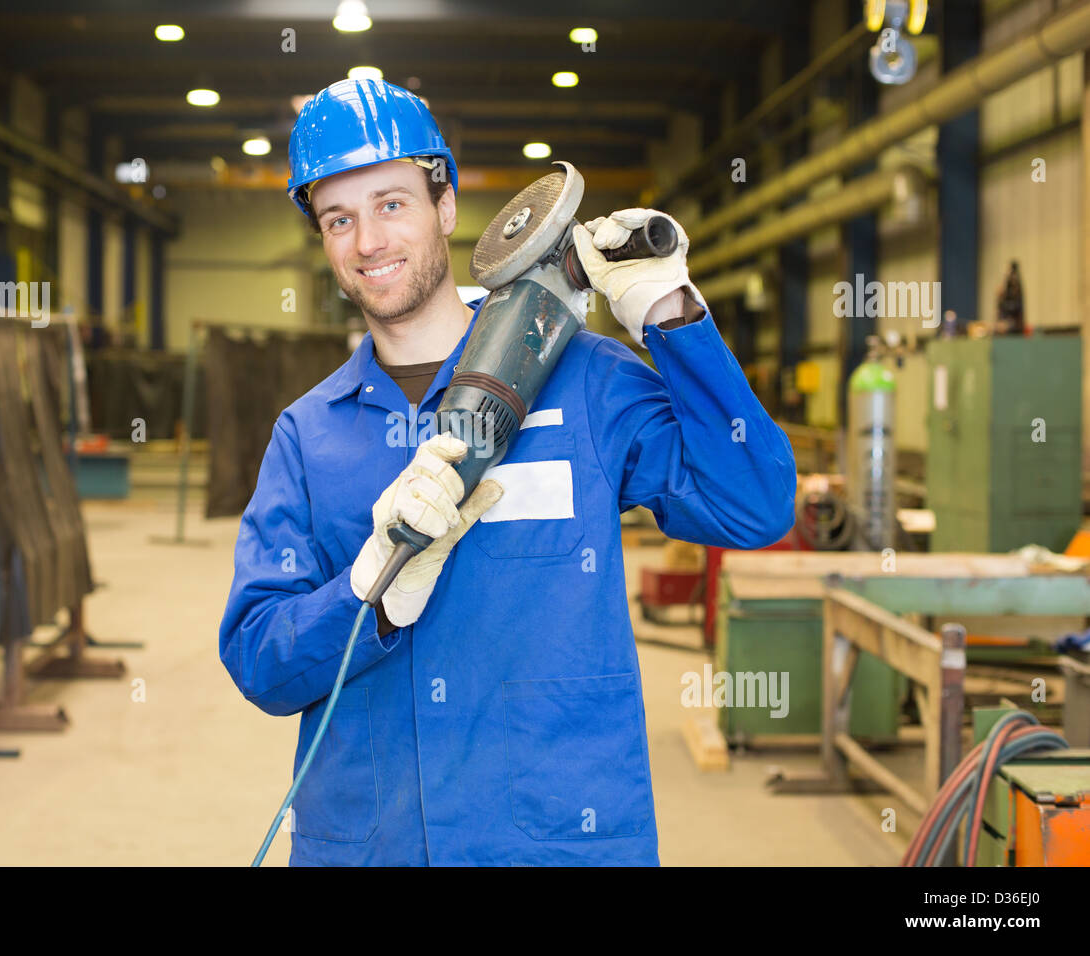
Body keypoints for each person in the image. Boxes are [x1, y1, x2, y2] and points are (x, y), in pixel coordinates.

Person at [219, 78, 797, 866]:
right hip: (372, 845)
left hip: (555, 842)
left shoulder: (582, 380)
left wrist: (672, 315)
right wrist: (365, 600)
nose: (367, 242)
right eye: (338, 219)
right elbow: (260, 660)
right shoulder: (309, 436)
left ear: (446, 206)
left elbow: (754, 506)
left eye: (391, 204)